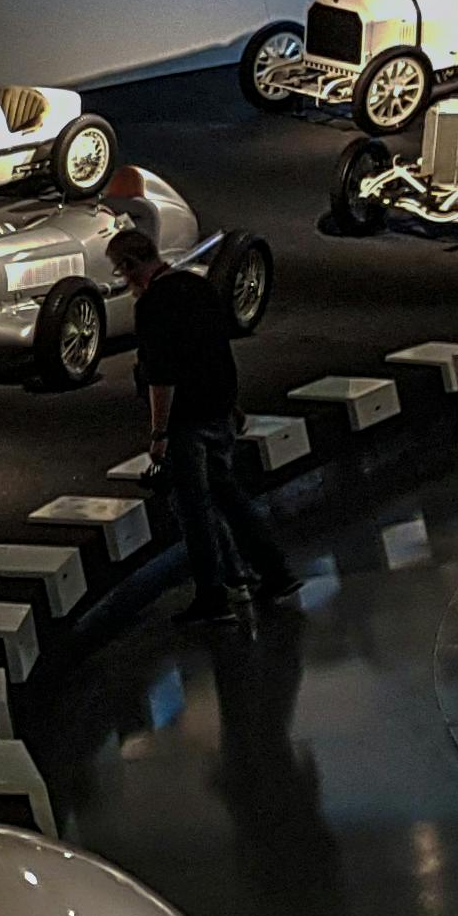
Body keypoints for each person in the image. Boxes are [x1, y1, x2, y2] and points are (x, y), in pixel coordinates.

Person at [110, 225, 294, 624]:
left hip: (187, 420)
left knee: (194, 510)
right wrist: (233, 405)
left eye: (120, 273)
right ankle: (275, 572)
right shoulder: (200, 288)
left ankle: (213, 595)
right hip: (217, 408)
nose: (123, 283)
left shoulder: (154, 304)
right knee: (230, 497)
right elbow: (216, 352)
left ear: (130, 266)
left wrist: (158, 434)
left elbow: (162, 375)